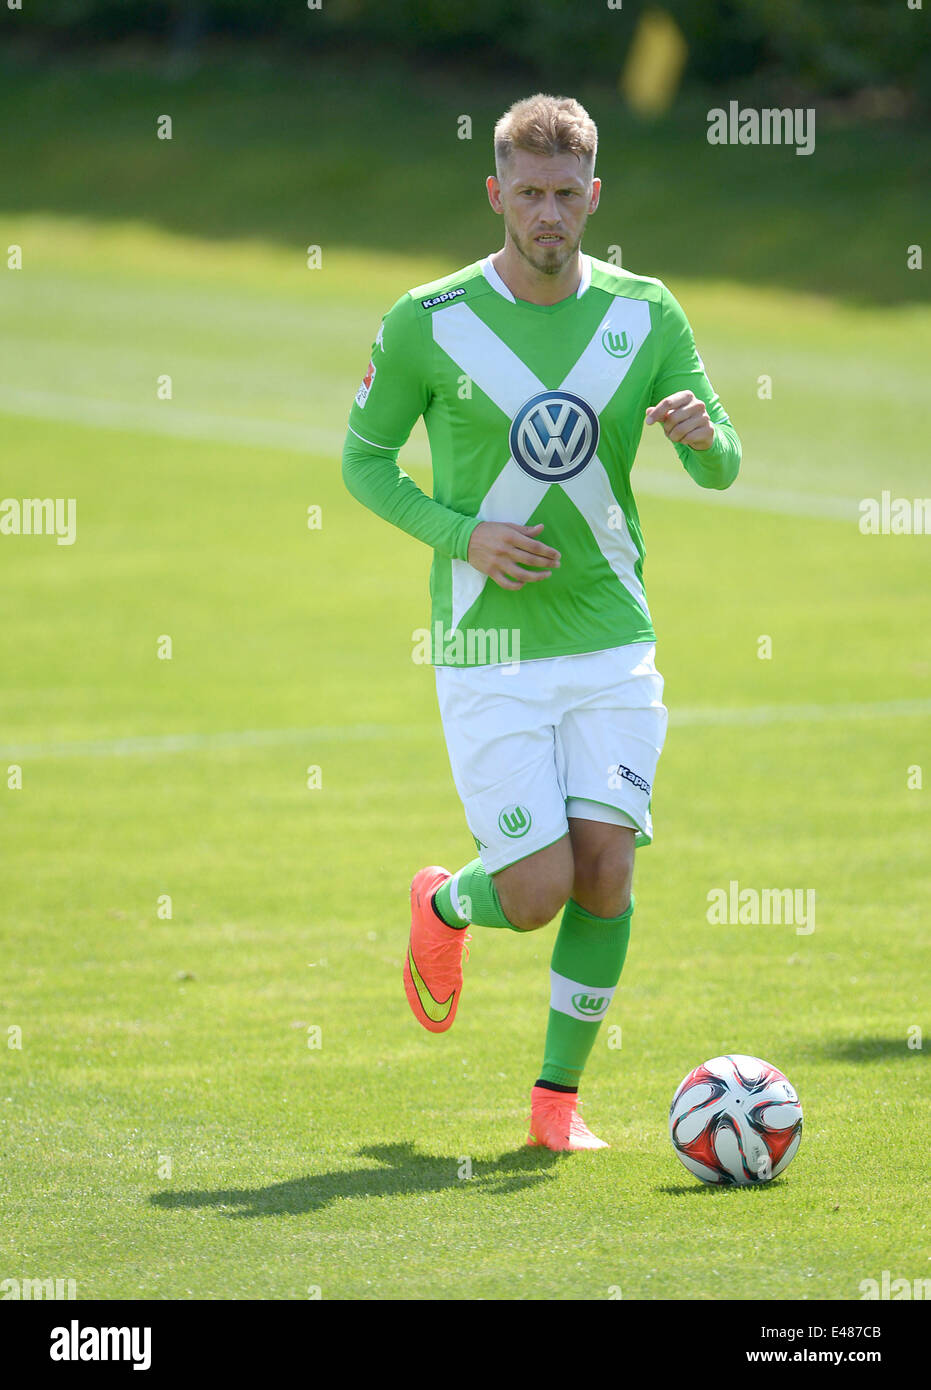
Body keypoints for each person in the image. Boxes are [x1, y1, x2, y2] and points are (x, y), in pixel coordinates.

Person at [342, 93, 741, 1150]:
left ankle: (555, 1104)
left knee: (607, 867)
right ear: (495, 195)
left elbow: (723, 464)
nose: (549, 214)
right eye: (529, 194)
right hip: (488, 645)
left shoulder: (645, 313)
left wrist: (701, 435)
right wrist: (461, 533)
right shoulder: (427, 321)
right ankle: (447, 904)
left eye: (567, 194)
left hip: (611, 639)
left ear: (594, 194)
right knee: (533, 892)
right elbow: (363, 463)